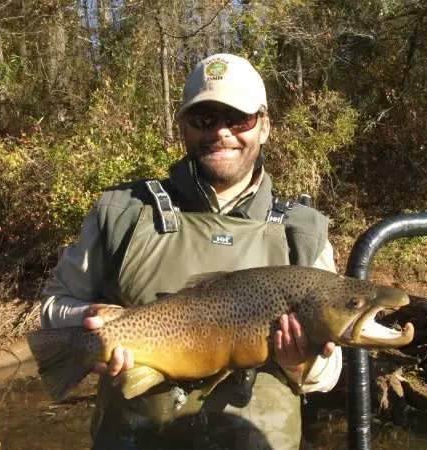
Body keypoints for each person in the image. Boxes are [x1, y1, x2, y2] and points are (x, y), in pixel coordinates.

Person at [41, 53, 342, 450]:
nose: (221, 132)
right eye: (204, 119)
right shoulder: (124, 211)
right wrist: (90, 317)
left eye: (239, 119)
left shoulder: (302, 231)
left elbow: (331, 372)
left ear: (264, 127)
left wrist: (299, 362)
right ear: (183, 126)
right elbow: (53, 308)